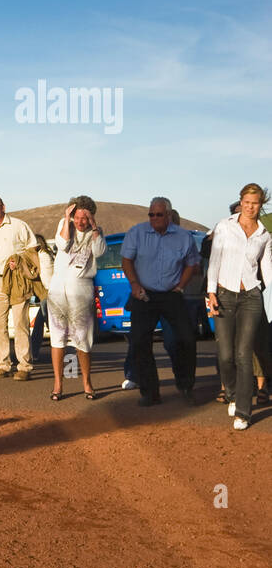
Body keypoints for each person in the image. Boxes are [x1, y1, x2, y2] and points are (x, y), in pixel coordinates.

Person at [121, 197, 201, 406]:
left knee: (186, 339)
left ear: (168, 215)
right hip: (144, 295)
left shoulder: (184, 237)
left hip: (171, 295)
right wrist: (134, 284)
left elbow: (192, 264)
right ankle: (150, 393)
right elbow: (126, 260)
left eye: (159, 214)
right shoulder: (136, 233)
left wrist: (181, 286)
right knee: (139, 342)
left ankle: (185, 386)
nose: (154, 218)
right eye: (151, 214)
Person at [206, 183, 272, 430]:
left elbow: (267, 268)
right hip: (224, 294)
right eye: (246, 202)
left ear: (260, 205)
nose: (250, 207)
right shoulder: (225, 226)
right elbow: (215, 260)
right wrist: (211, 291)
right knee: (226, 355)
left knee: (244, 354)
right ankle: (232, 394)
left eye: (254, 203)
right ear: (241, 201)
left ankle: (244, 412)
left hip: (251, 297)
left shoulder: (264, 235)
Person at [48, 197, 106, 400]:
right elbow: (62, 244)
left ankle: (87, 383)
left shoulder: (95, 232)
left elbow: (99, 252)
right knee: (58, 337)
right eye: (77, 217)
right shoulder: (65, 226)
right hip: (58, 289)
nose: (80, 221)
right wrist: (66, 219)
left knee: (82, 339)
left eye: (85, 217)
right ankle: (58, 384)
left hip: (81, 288)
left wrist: (95, 228)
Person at [0, 194, 37, 379]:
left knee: (20, 322)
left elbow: (34, 249)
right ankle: (3, 364)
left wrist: (21, 262)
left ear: (3, 206)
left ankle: (24, 366)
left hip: (18, 277)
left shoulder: (19, 225)